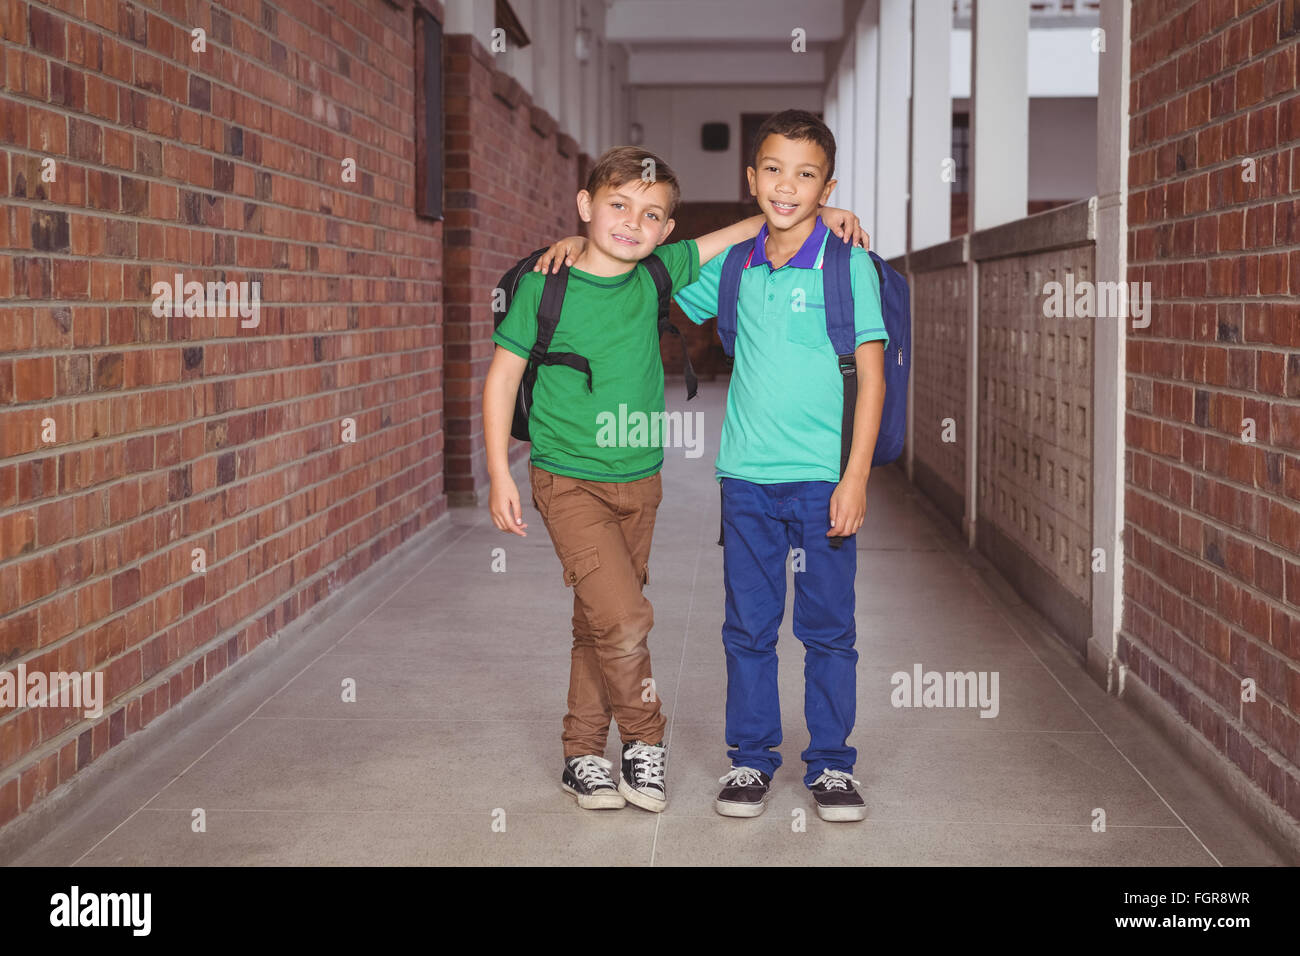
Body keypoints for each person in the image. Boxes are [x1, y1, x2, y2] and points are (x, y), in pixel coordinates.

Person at [483, 144, 867, 812]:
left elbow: (752, 226)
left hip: (641, 481)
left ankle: (581, 756)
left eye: (651, 214)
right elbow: (502, 378)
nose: (632, 222)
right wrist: (497, 473)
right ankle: (643, 741)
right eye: (617, 207)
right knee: (626, 619)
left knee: (595, 621)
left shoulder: (657, 273)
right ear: (586, 207)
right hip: (566, 479)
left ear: (666, 230)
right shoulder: (548, 284)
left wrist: (826, 209)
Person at [673, 110, 889, 822]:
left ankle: (830, 764)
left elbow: (872, 374)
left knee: (828, 627)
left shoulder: (845, 262)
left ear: (828, 185)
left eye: (806, 174)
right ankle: (750, 761)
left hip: (824, 481)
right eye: (773, 170)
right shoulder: (737, 266)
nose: (786, 185)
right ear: (751, 178)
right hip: (746, 480)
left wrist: (854, 477)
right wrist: (579, 247)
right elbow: (654, 280)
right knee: (749, 627)